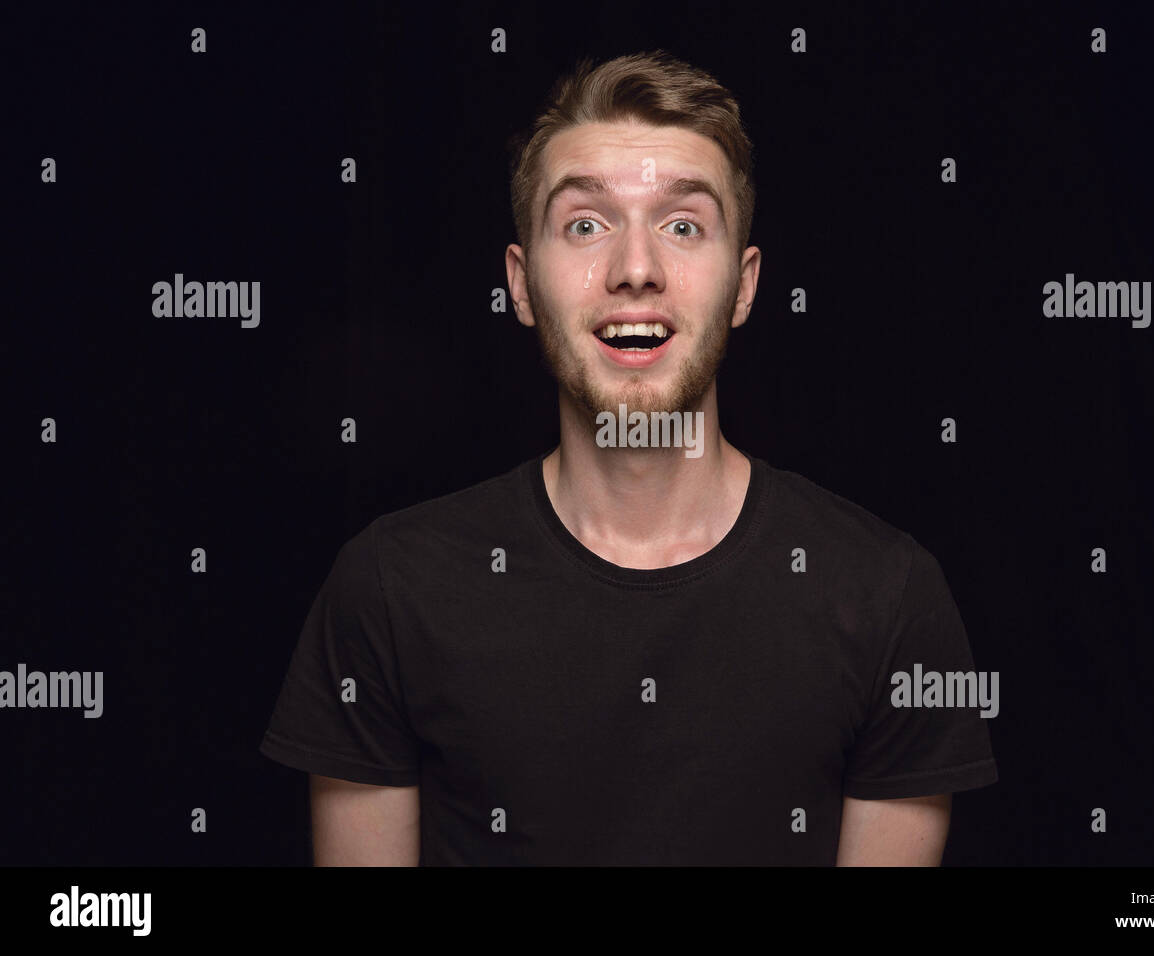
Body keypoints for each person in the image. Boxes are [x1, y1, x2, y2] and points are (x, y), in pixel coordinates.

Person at [260, 49, 997, 866]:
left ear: (745, 285)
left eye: (683, 226)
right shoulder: (389, 589)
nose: (636, 270)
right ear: (522, 283)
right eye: (585, 224)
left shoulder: (888, 596)